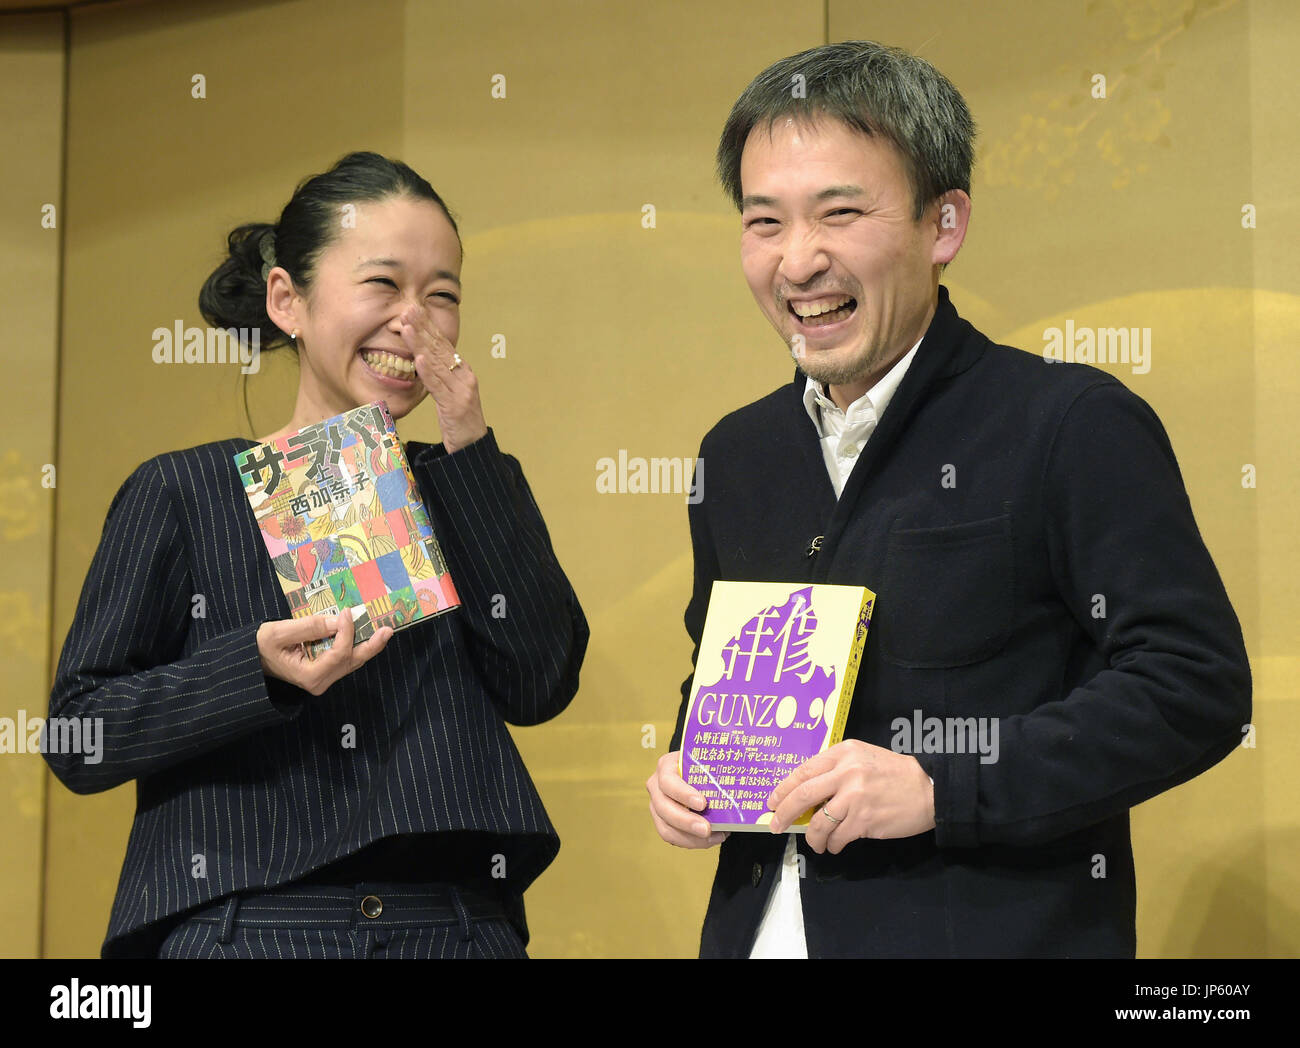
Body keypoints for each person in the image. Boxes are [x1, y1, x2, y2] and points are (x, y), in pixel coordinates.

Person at [646, 41, 1251, 958]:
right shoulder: (737, 455)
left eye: (840, 213)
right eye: (763, 222)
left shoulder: (1069, 422)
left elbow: (1193, 687)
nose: (798, 260)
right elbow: (722, 674)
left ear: (945, 225)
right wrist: (691, 770)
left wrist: (944, 783)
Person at [46, 151, 588, 959]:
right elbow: (77, 734)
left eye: (444, 294)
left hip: (452, 927)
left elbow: (540, 682)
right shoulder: (184, 491)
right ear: (286, 300)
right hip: (250, 926)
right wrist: (251, 671)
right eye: (383, 284)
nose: (416, 319)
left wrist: (470, 443)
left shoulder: (465, 488)